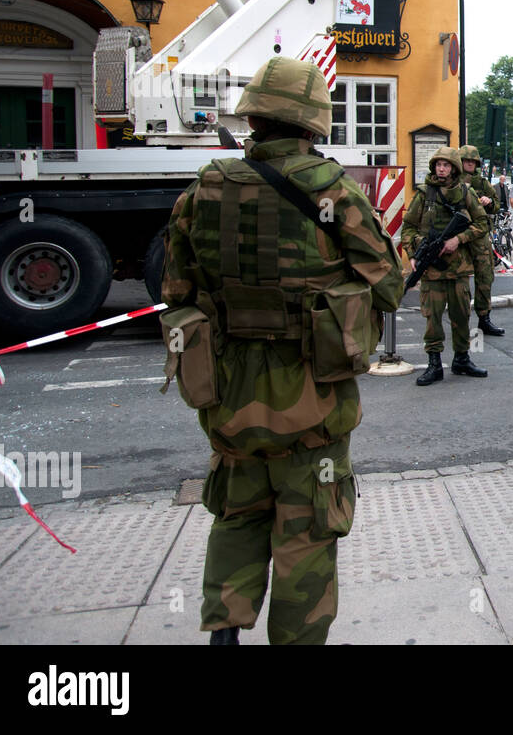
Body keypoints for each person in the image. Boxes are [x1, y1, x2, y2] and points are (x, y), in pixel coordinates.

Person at [161, 57, 402, 645]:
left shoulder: (204, 188)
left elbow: (175, 291)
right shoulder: (334, 191)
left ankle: (223, 634)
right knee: (308, 529)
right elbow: (387, 284)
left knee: (237, 516)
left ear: (255, 121)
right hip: (311, 396)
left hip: (226, 391)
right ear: (314, 125)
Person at [402, 146, 490, 385]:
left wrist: (457, 239)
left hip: (459, 268)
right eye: (438, 165)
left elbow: (482, 223)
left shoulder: (465, 192)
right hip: (431, 269)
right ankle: (434, 363)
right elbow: (408, 227)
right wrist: (413, 253)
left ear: (454, 168)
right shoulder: (424, 194)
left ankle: (462, 359)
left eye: (446, 165)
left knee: (461, 316)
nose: (441, 169)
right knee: (432, 318)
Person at [457, 145, 504, 337]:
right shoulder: (453, 182)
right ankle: (461, 320)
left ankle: (484, 318)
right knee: (459, 280)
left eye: (472, 161)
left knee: (485, 277)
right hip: (459, 235)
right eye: (466, 161)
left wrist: (489, 202)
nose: (469, 164)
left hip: (480, 235)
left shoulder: (482, 182)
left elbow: (496, 205)